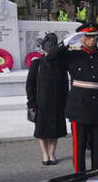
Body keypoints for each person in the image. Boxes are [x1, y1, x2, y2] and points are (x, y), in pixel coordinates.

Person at [48, 23, 98, 172]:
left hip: (97, 107)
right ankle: (79, 177)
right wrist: (65, 43)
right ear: (81, 38)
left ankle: (97, 175)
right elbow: (50, 58)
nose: (92, 40)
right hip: (78, 108)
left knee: (97, 148)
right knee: (79, 148)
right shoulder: (73, 55)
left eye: (95, 37)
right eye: (88, 37)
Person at [26, 33, 69, 166]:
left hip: (57, 102)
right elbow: (30, 84)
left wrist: (66, 102)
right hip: (41, 102)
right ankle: (45, 154)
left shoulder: (60, 63)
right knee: (42, 131)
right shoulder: (36, 63)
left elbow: (65, 84)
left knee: (55, 131)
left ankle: (52, 153)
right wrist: (31, 102)